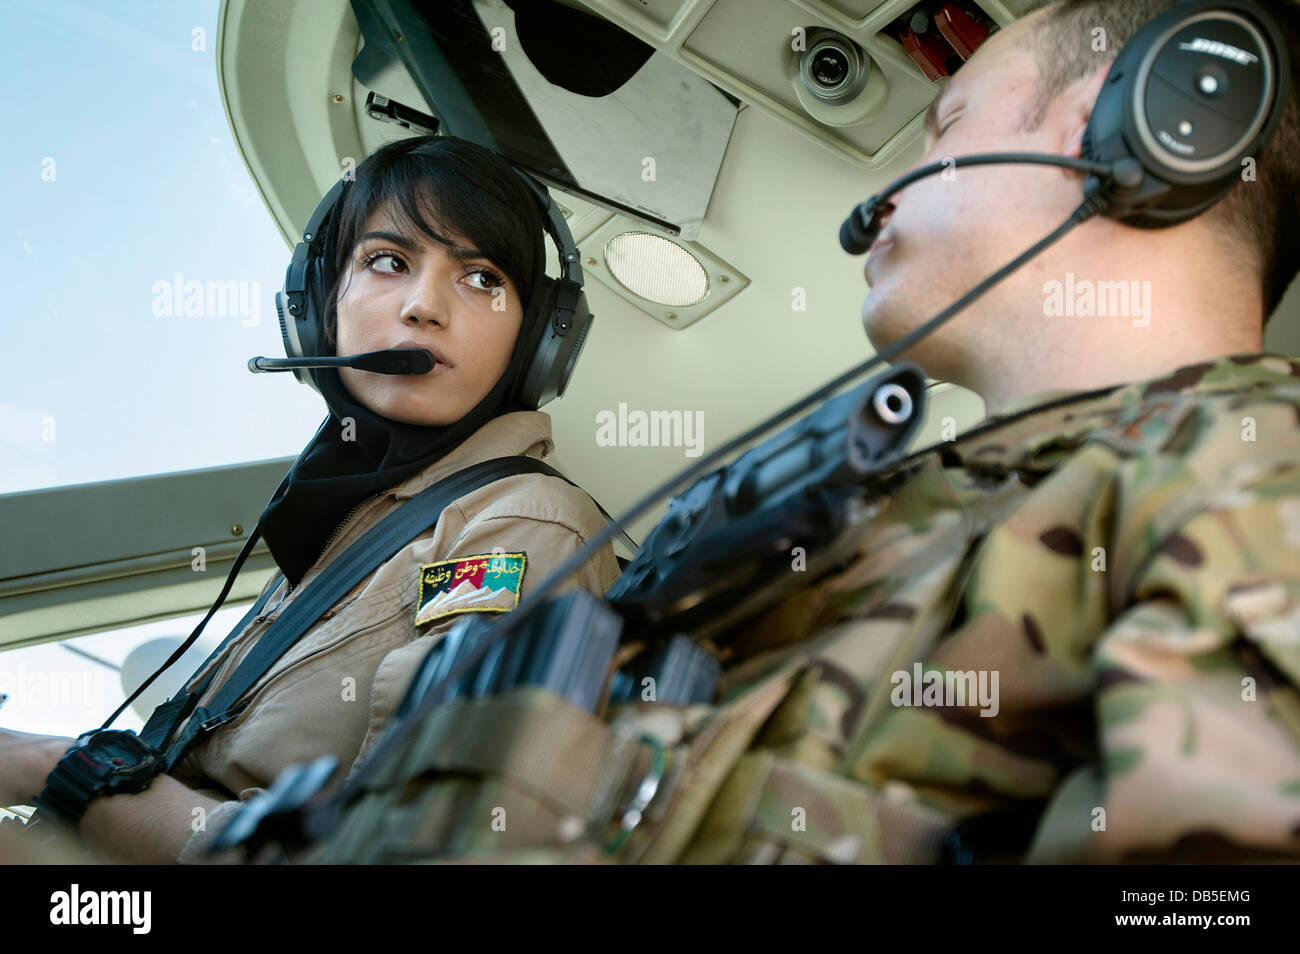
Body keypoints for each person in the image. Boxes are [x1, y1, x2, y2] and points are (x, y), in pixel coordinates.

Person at [303, 0, 1300, 865]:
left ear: (1152, 124)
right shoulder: (948, 515)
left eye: (944, 124)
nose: (878, 208)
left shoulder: (1262, 491)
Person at [0, 135, 623, 864]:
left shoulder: (522, 523)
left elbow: (399, 857)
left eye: (481, 277)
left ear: (541, 340)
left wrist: (55, 766)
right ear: (317, 304)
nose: (424, 307)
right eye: (387, 261)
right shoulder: (354, 529)